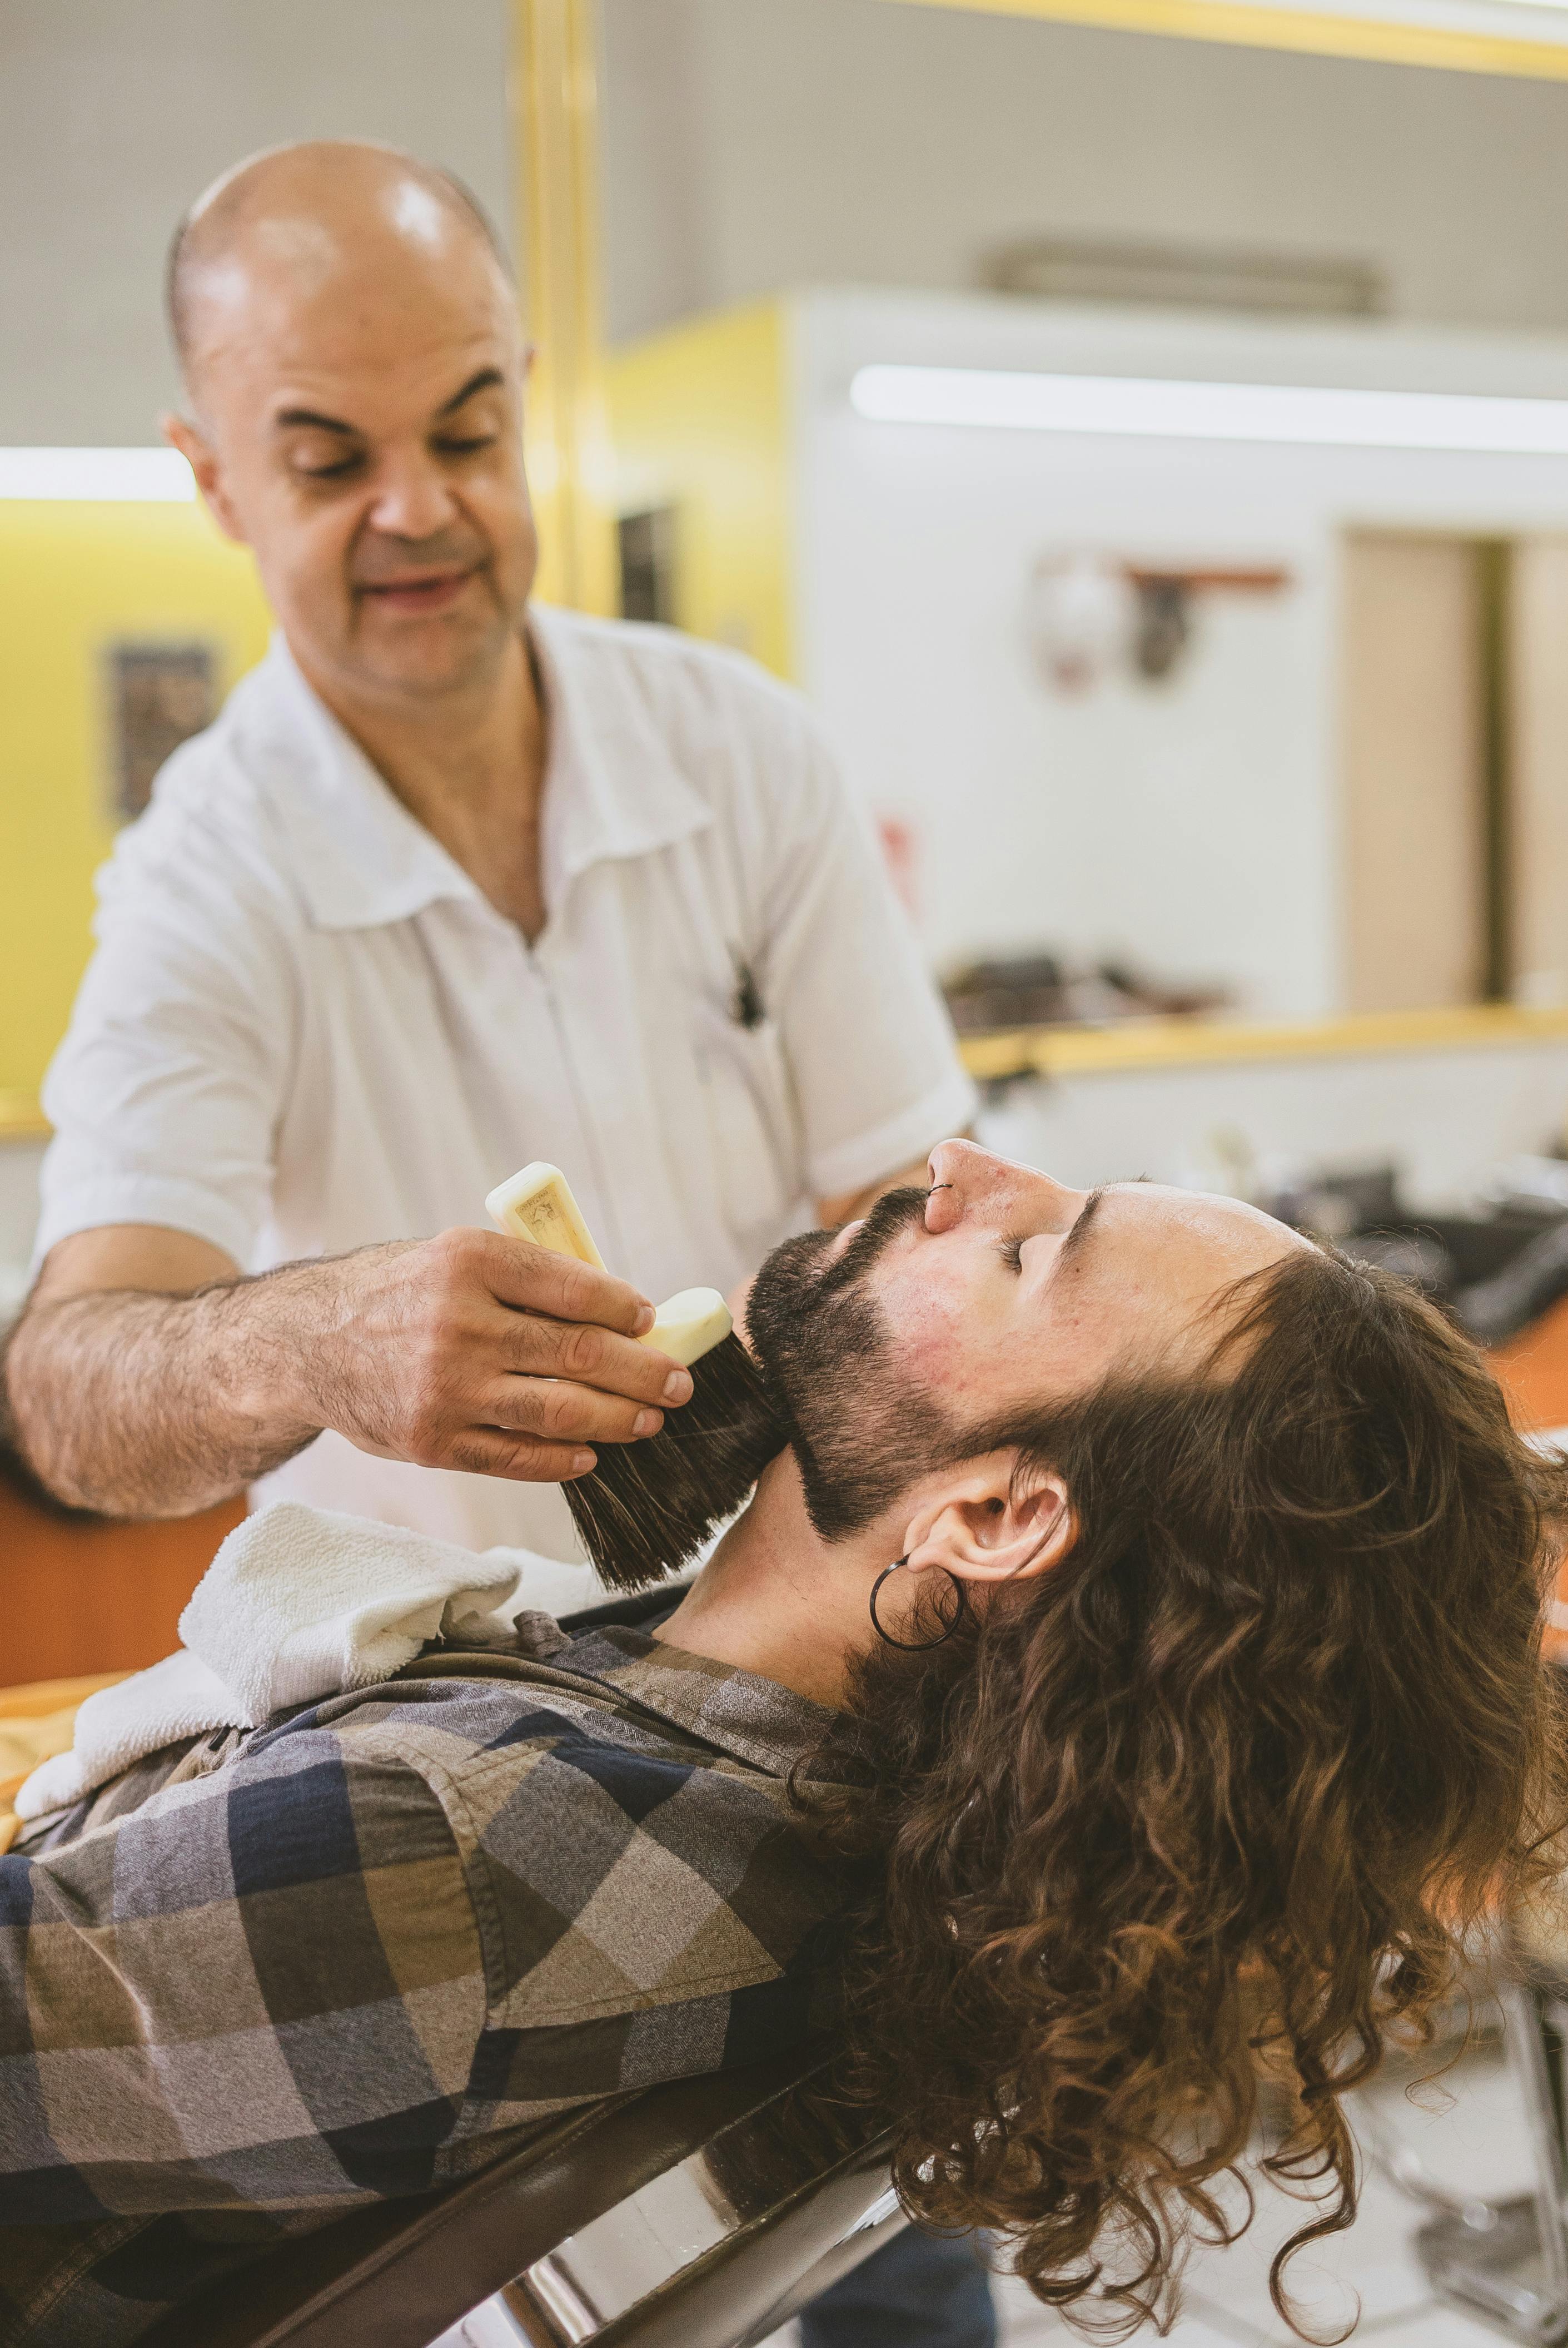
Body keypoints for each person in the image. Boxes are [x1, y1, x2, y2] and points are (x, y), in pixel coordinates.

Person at [3, 1142, 1561, 2345]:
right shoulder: (877, 1830)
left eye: (1026, 1251)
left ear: (995, 1517)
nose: (956, 1167)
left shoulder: (441, 1859)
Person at [3, 139, 972, 1587]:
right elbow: (68, 1393)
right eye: (331, 460)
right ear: (213, 481)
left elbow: (902, 1204)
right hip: (448, 1703)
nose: (417, 512)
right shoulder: (205, 883)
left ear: (524, 399)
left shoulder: (744, 756)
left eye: (466, 437)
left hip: (807, 1636)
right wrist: (306, 1345)